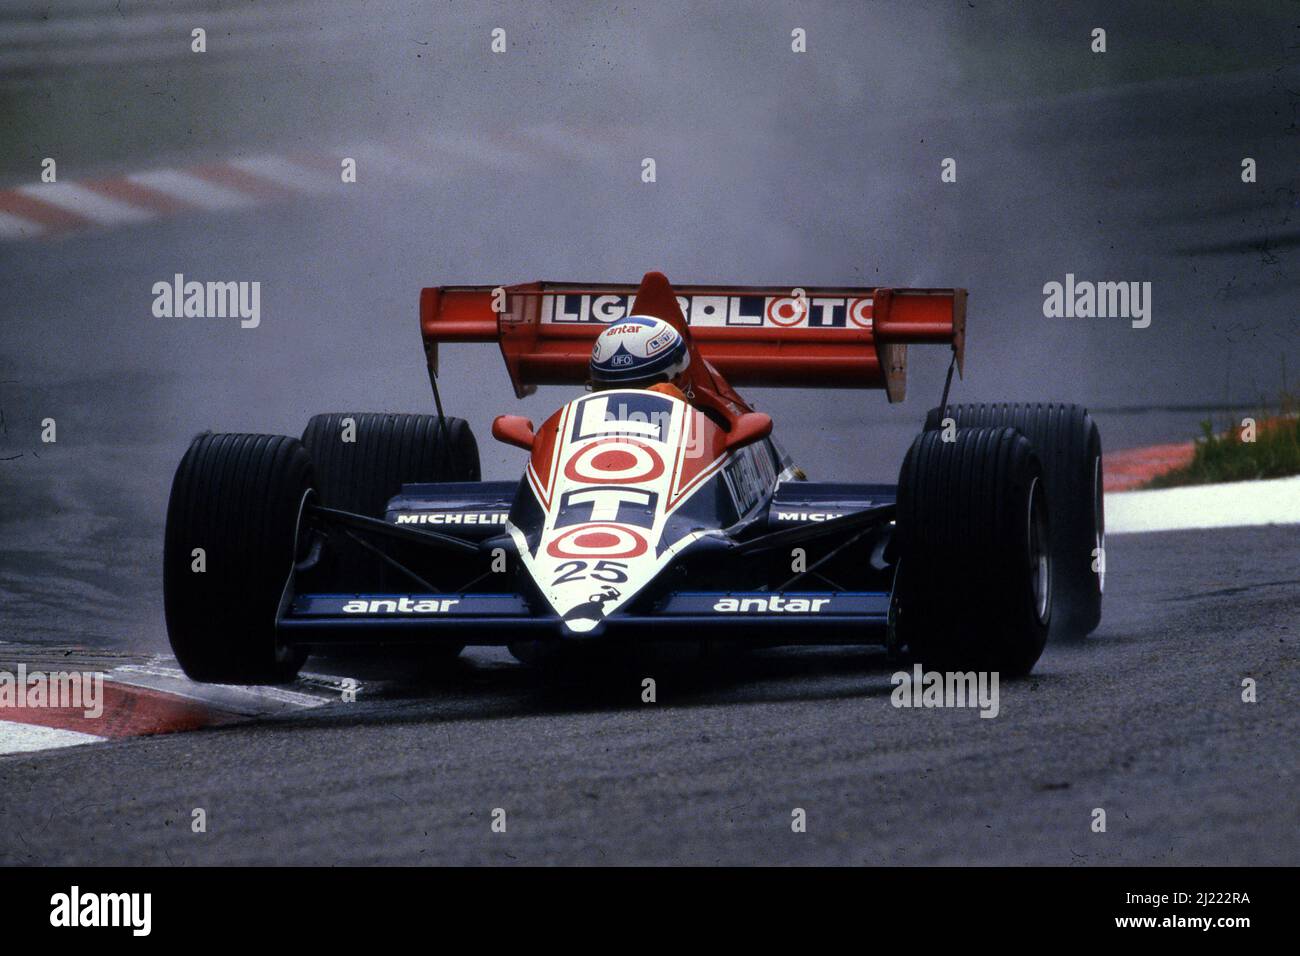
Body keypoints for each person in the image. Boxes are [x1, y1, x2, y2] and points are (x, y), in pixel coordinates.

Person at [588, 315, 692, 401]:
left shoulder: (698, 421)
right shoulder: (581, 417)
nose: (624, 402)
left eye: (638, 389)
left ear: (676, 379)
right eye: (608, 390)